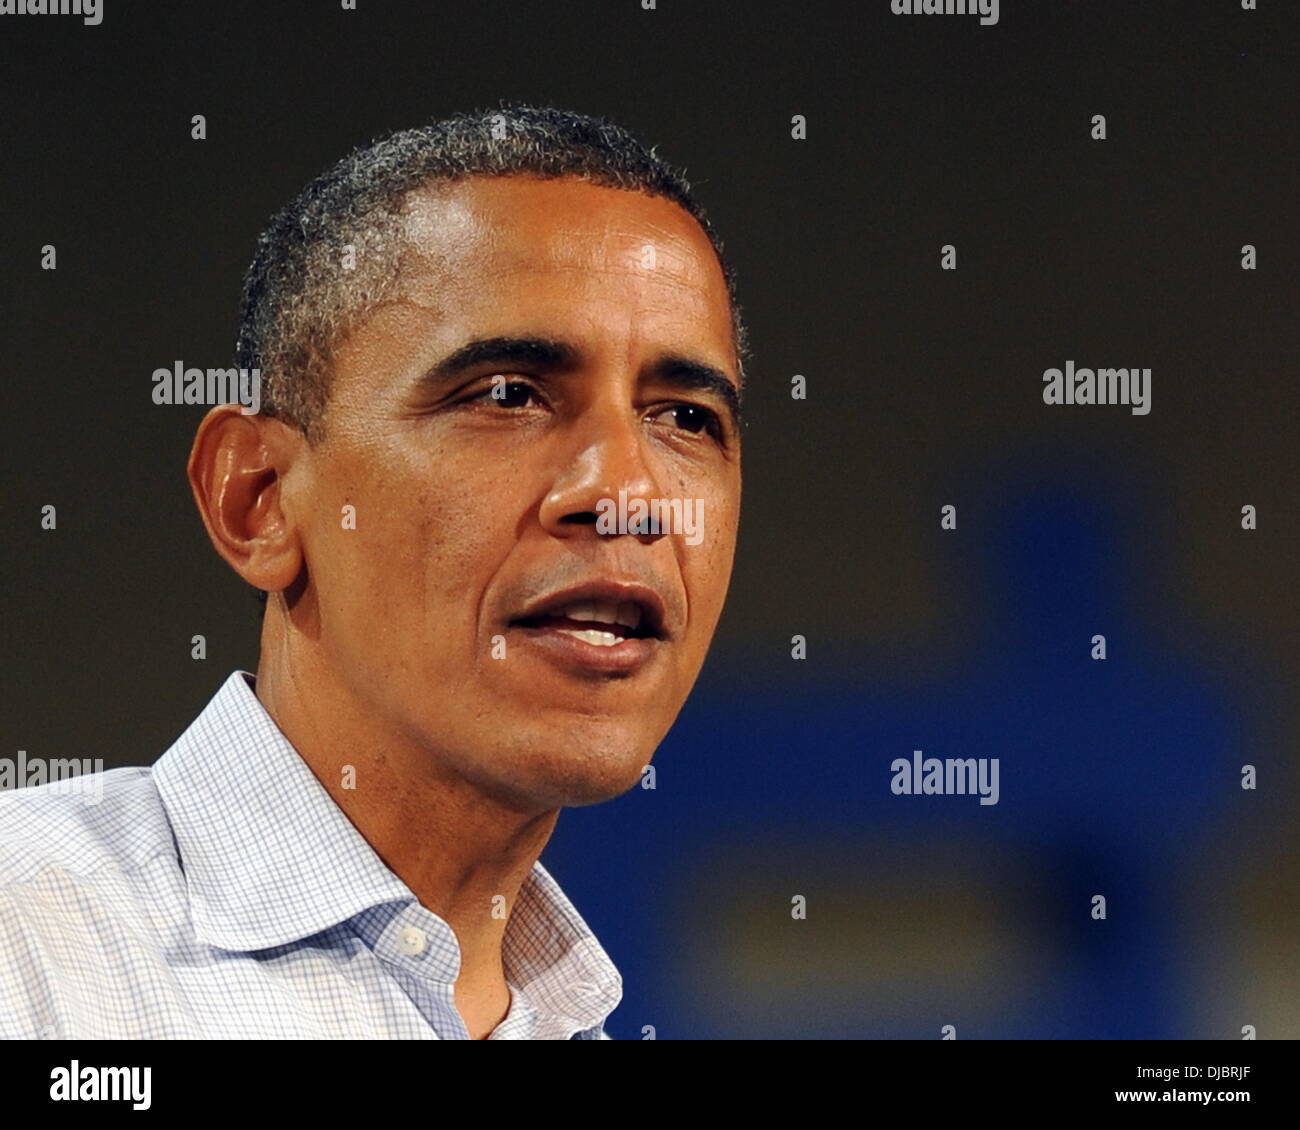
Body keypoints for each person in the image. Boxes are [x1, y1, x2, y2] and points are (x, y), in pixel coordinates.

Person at [0, 104, 746, 1039]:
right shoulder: (25, 944)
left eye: (685, 417)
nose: (627, 491)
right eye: (509, 394)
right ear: (259, 498)